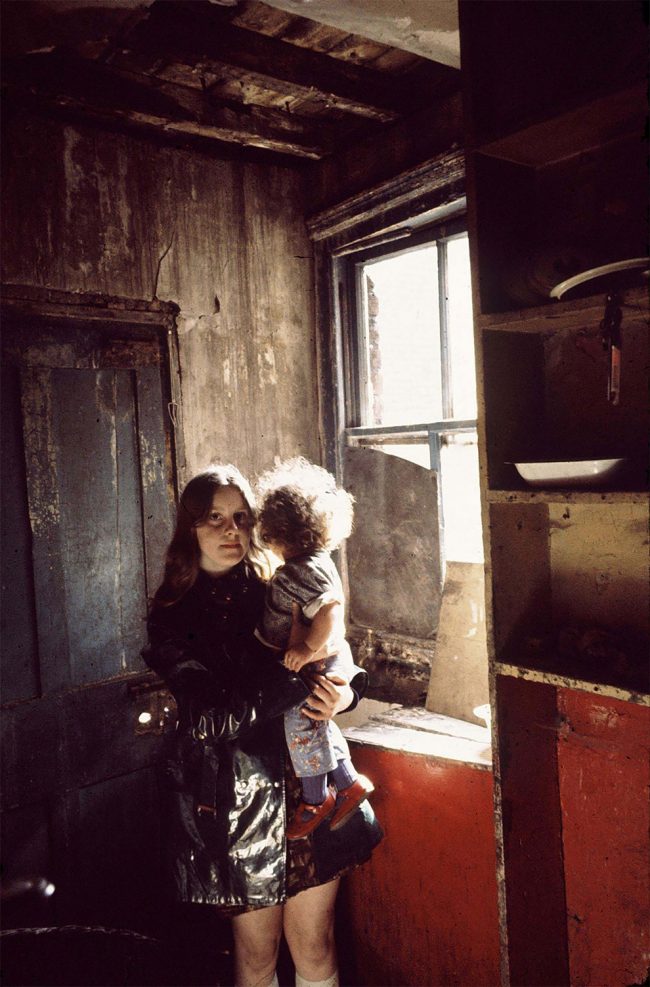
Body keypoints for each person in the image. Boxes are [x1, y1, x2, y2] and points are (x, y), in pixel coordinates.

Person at [142, 465, 382, 987]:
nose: (231, 530)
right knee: (256, 956)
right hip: (235, 802)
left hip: (310, 788)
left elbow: (336, 648)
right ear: (190, 527)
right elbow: (208, 718)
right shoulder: (172, 613)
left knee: (315, 941)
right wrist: (292, 682)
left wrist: (344, 692)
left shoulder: (279, 581)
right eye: (214, 519)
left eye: (241, 518)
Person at [256, 458, 373, 841]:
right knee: (313, 723)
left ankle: (315, 797)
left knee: (302, 722)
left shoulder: (301, 570)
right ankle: (347, 782)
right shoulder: (311, 565)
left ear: (275, 531)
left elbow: (331, 613)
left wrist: (307, 650)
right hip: (303, 667)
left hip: (308, 666)